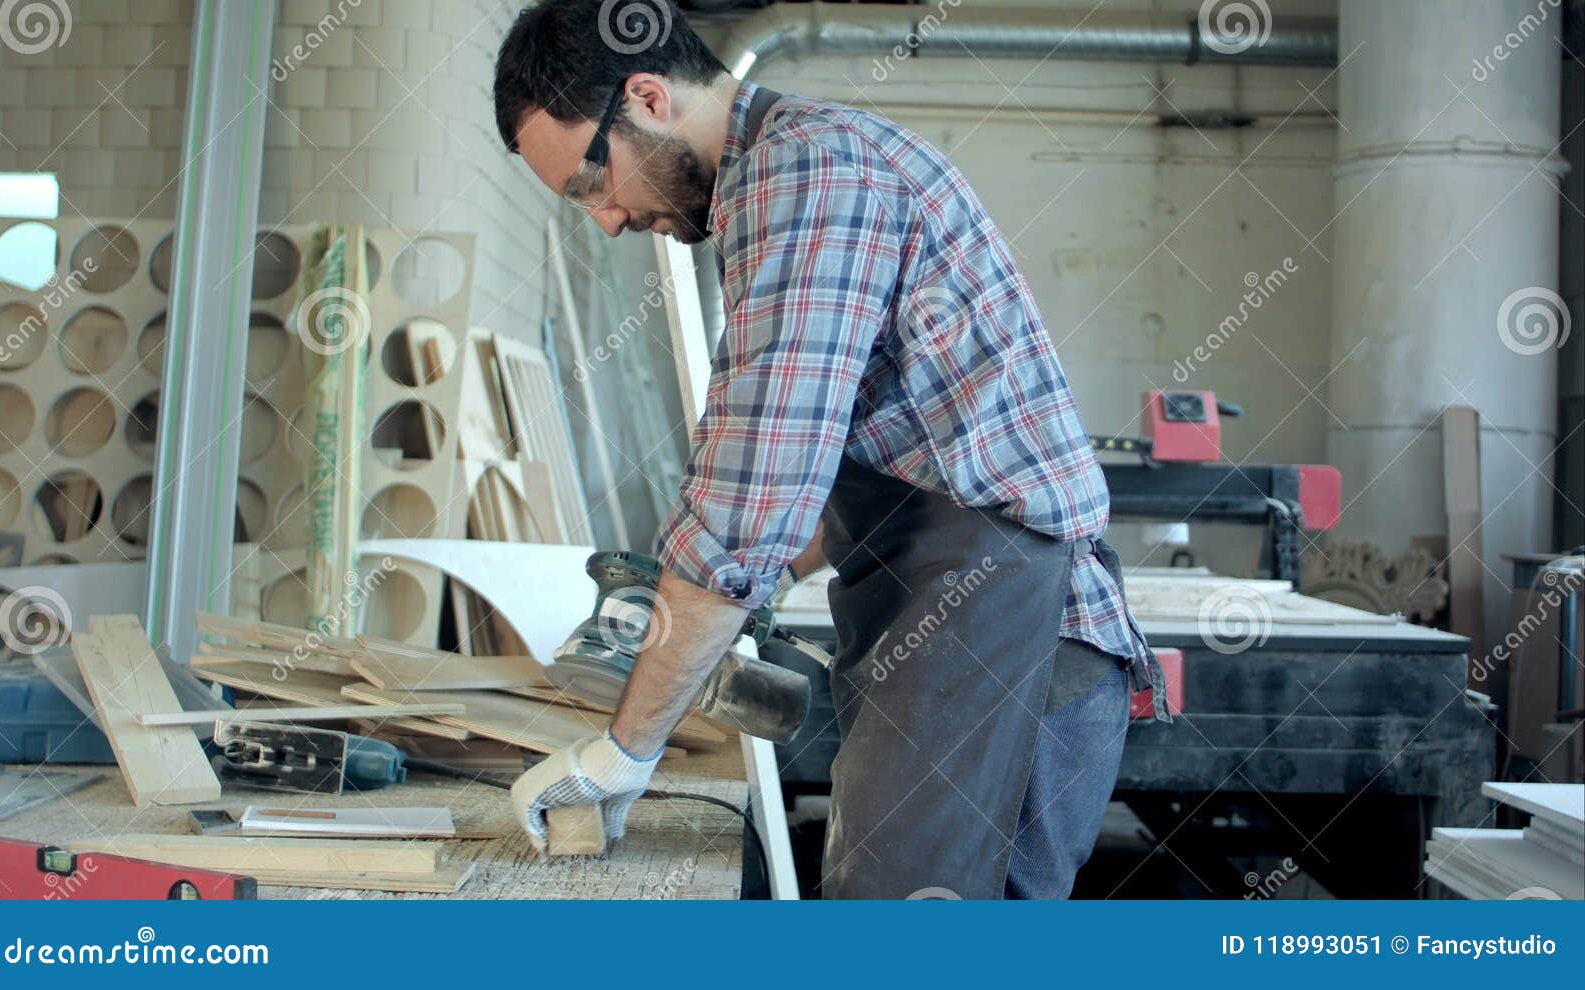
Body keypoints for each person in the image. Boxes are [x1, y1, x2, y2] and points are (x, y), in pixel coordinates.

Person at [496, 0, 1167, 899]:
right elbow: (835, 464)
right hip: (962, 614)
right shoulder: (786, 176)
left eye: (591, 183)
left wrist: (626, 749)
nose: (608, 220)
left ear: (648, 97)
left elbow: (752, 491)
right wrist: (735, 602)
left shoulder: (807, 173)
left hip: (1007, 631)